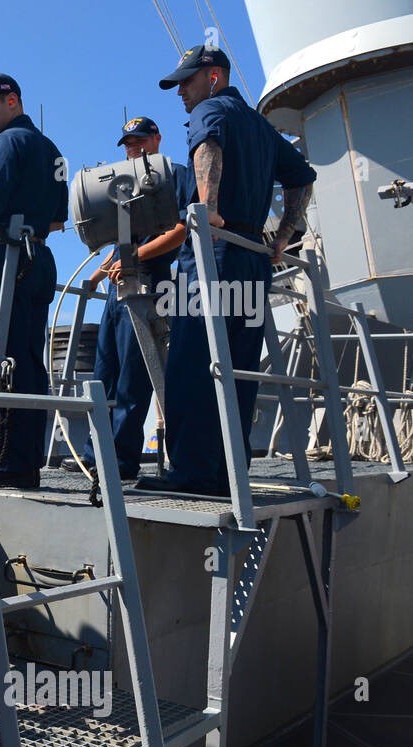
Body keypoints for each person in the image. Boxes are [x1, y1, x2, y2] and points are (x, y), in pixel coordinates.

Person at [137, 43, 315, 495]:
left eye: (187, 82)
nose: (181, 93)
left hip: (214, 256)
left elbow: (208, 140)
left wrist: (209, 209)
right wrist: (280, 239)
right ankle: (224, 474)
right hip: (253, 258)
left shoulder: (211, 109)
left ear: (214, 76)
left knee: (192, 363)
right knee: (235, 370)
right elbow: (303, 176)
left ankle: (191, 475)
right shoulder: (259, 124)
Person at [0, 73, 69, 490]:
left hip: (4, 262)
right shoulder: (52, 149)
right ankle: (25, 462)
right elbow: (58, 219)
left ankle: (6, 464)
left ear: (12, 101)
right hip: (39, 259)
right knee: (28, 361)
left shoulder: (5, 144)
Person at [69, 117, 189, 480]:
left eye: (139, 141)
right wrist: (94, 279)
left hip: (148, 288)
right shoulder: (124, 187)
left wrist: (132, 259)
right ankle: (95, 454)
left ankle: (120, 462)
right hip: (116, 293)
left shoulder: (175, 177)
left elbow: (181, 230)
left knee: (132, 381)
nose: (133, 149)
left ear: (157, 139)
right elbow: (122, 246)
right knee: (104, 376)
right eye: (128, 144)